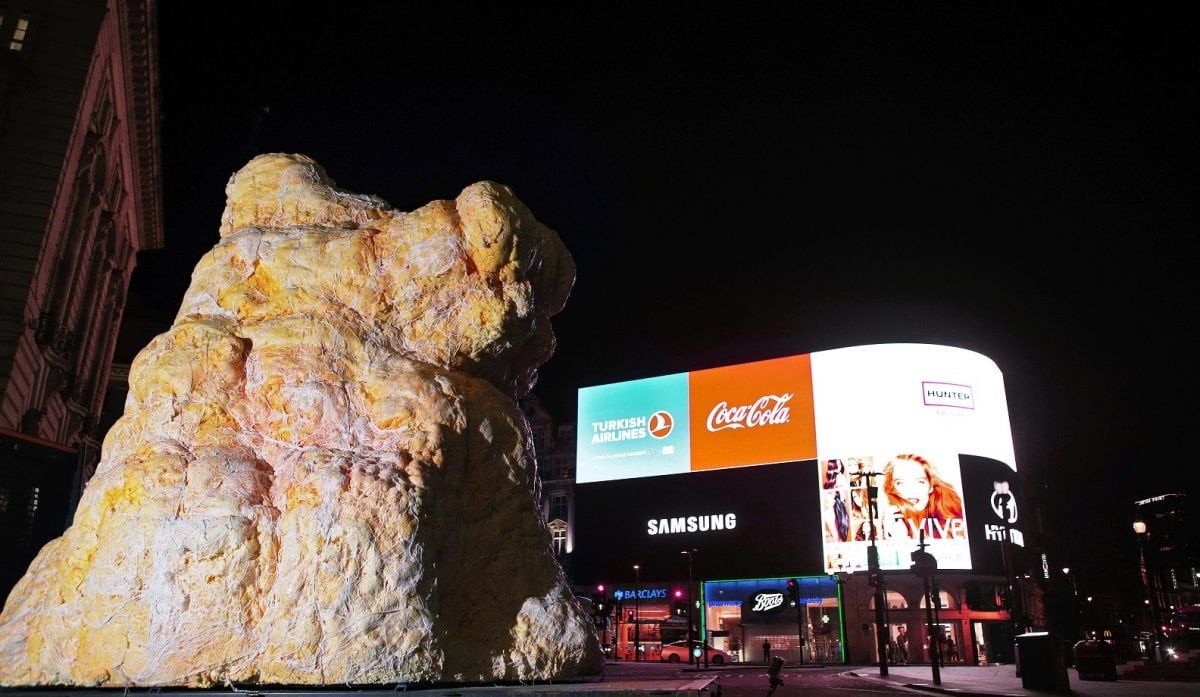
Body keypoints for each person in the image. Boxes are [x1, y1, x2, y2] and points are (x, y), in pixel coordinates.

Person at [882, 454, 965, 539]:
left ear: (930, 486)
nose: (911, 490)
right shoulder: (885, 525)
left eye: (920, 481)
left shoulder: (953, 520)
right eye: (900, 483)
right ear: (891, 488)